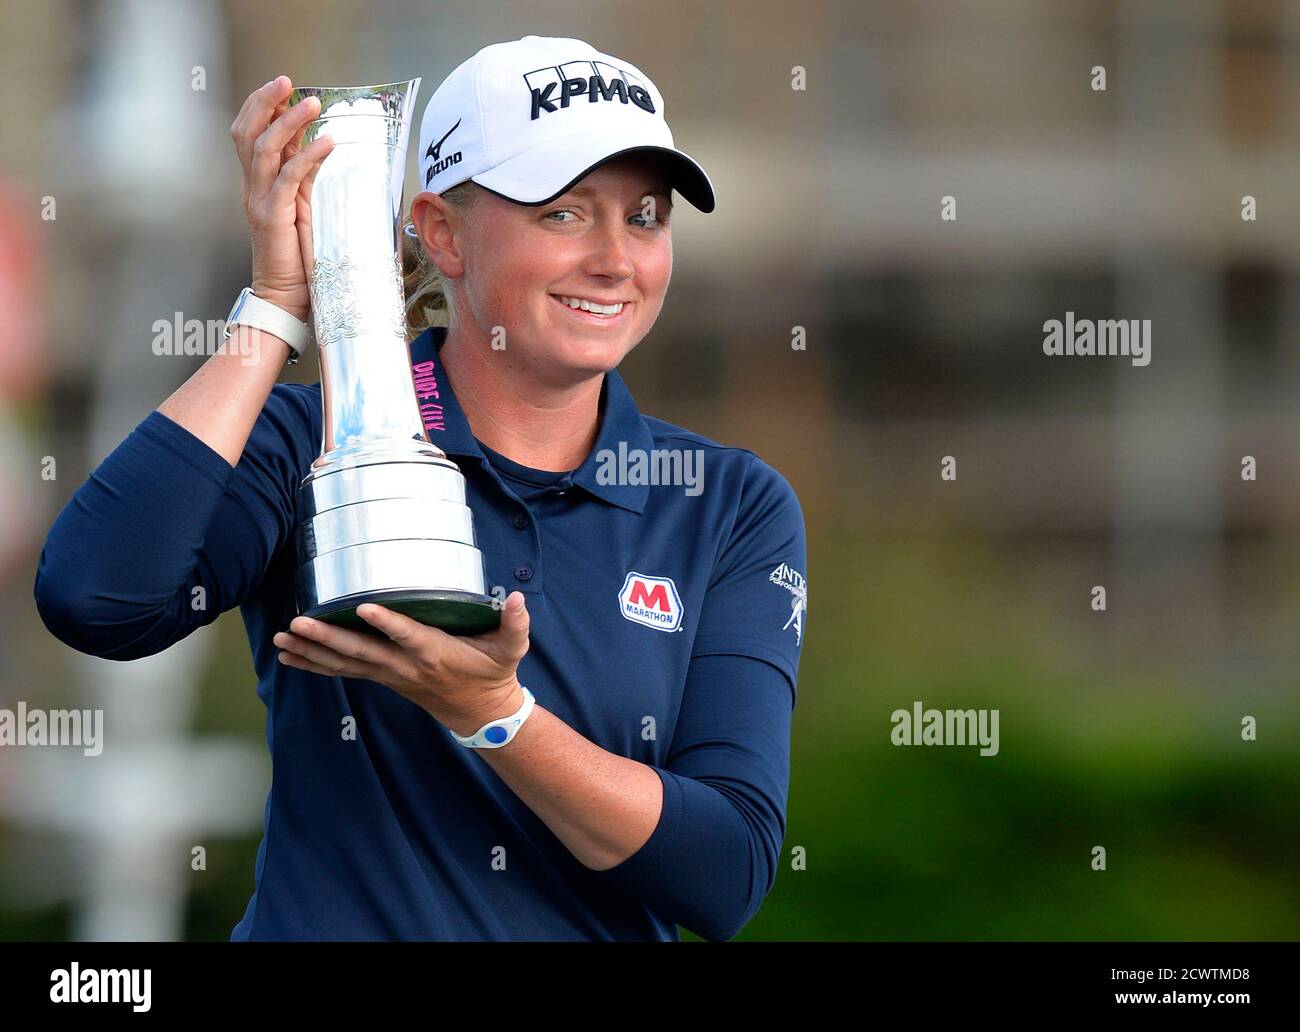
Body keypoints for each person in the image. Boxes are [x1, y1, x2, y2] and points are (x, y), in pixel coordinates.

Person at [33, 35, 809, 941]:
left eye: (644, 217)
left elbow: (727, 870)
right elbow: (96, 599)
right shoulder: (310, 437)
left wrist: (491, 715)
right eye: (563, 214)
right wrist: (278, 308)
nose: (615, 260)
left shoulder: (727, 503)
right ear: (442, 231)